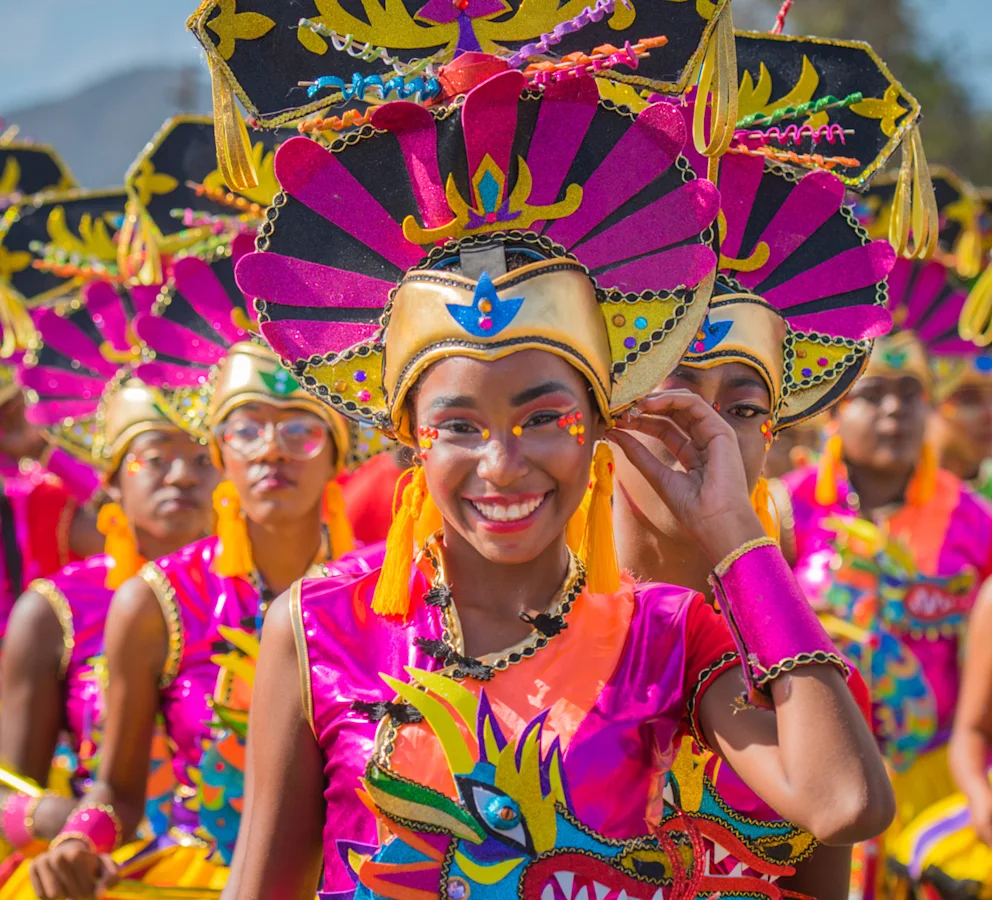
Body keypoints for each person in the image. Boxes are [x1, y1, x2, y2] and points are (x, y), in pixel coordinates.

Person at [218, 67, 891, 899]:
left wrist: (735, 535)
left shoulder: (671, 633)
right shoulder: (321, 626)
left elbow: (844, 803)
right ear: (407, 438)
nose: (502, 464)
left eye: (545, 417)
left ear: (603, 420)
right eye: (459, 425)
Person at [24, 237, 359, 898]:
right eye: (246, 428)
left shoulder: (380, 593)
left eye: (300, 427)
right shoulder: (155, 603)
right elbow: (116, 791)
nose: (273, 450)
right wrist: (76, 837)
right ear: (221, 454)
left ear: (338, 453)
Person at [612, 119, 896, 898]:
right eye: (669, 394)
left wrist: (738, 540)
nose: (706, 435)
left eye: (743, 409)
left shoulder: (810, 685)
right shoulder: (518, 645)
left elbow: (846, 816)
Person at [778, 242, 992, 896]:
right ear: (834, 410)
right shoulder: (783, 512)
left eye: (912, 394)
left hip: (935, 787)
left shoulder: (977, 524)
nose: (897, 412)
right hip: (809, 777)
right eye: (874, 394)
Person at [0, 278, 218, 868]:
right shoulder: (53, 610)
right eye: (154, 458)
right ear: (112, 481)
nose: (181, 477)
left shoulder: (261, 598)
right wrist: (58, 820)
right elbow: (5, 793)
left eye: (203, 459)